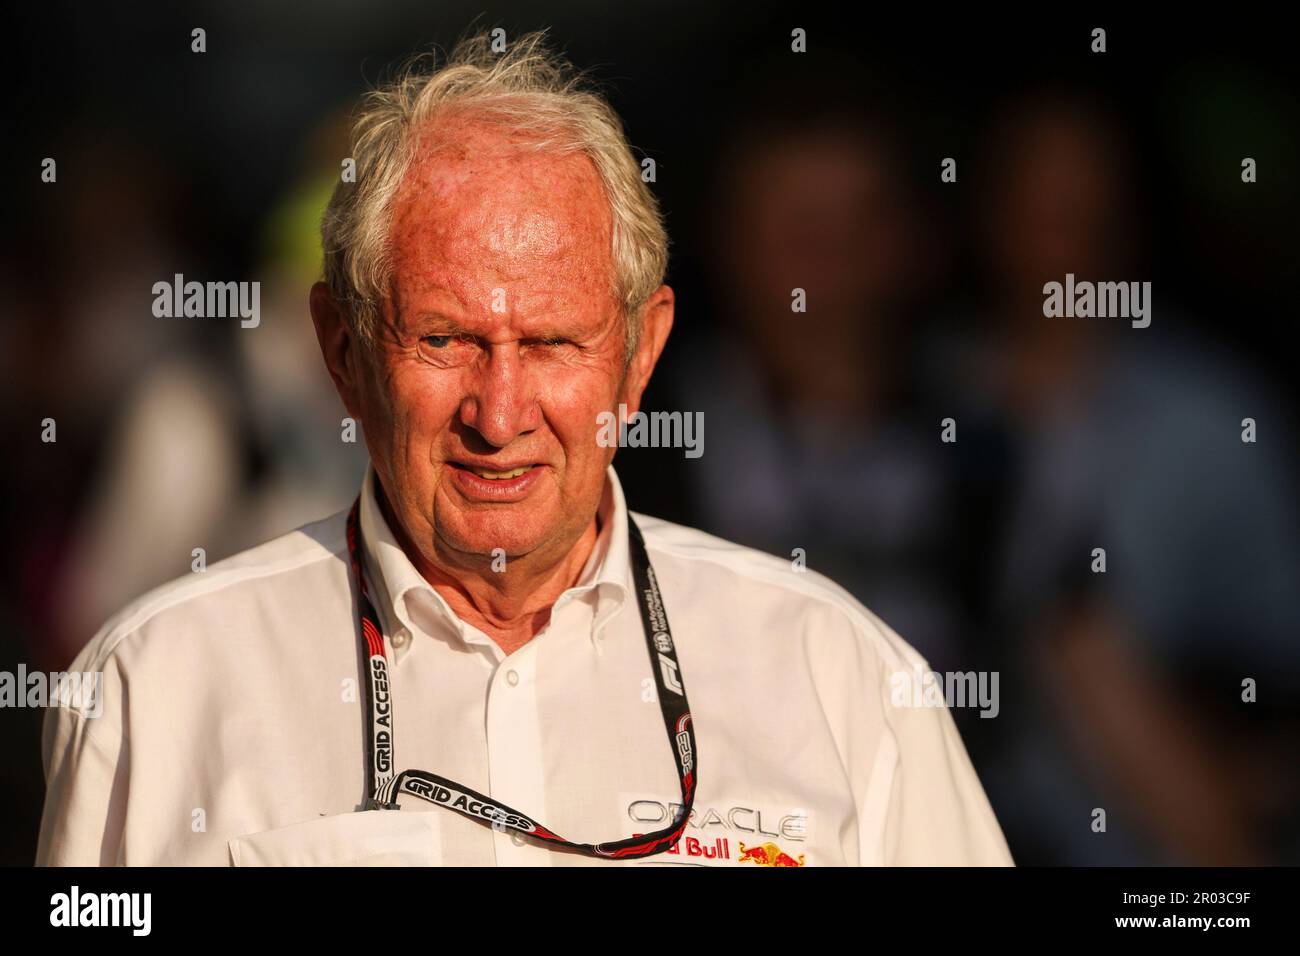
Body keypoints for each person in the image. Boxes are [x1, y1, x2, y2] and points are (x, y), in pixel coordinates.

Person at [36, 30, 1012, 866]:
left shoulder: (839, 676)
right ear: (342, 351)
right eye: (446, 339)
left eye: (551, 342)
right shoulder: (154, 690)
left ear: (640, 356)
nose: (498, 414)